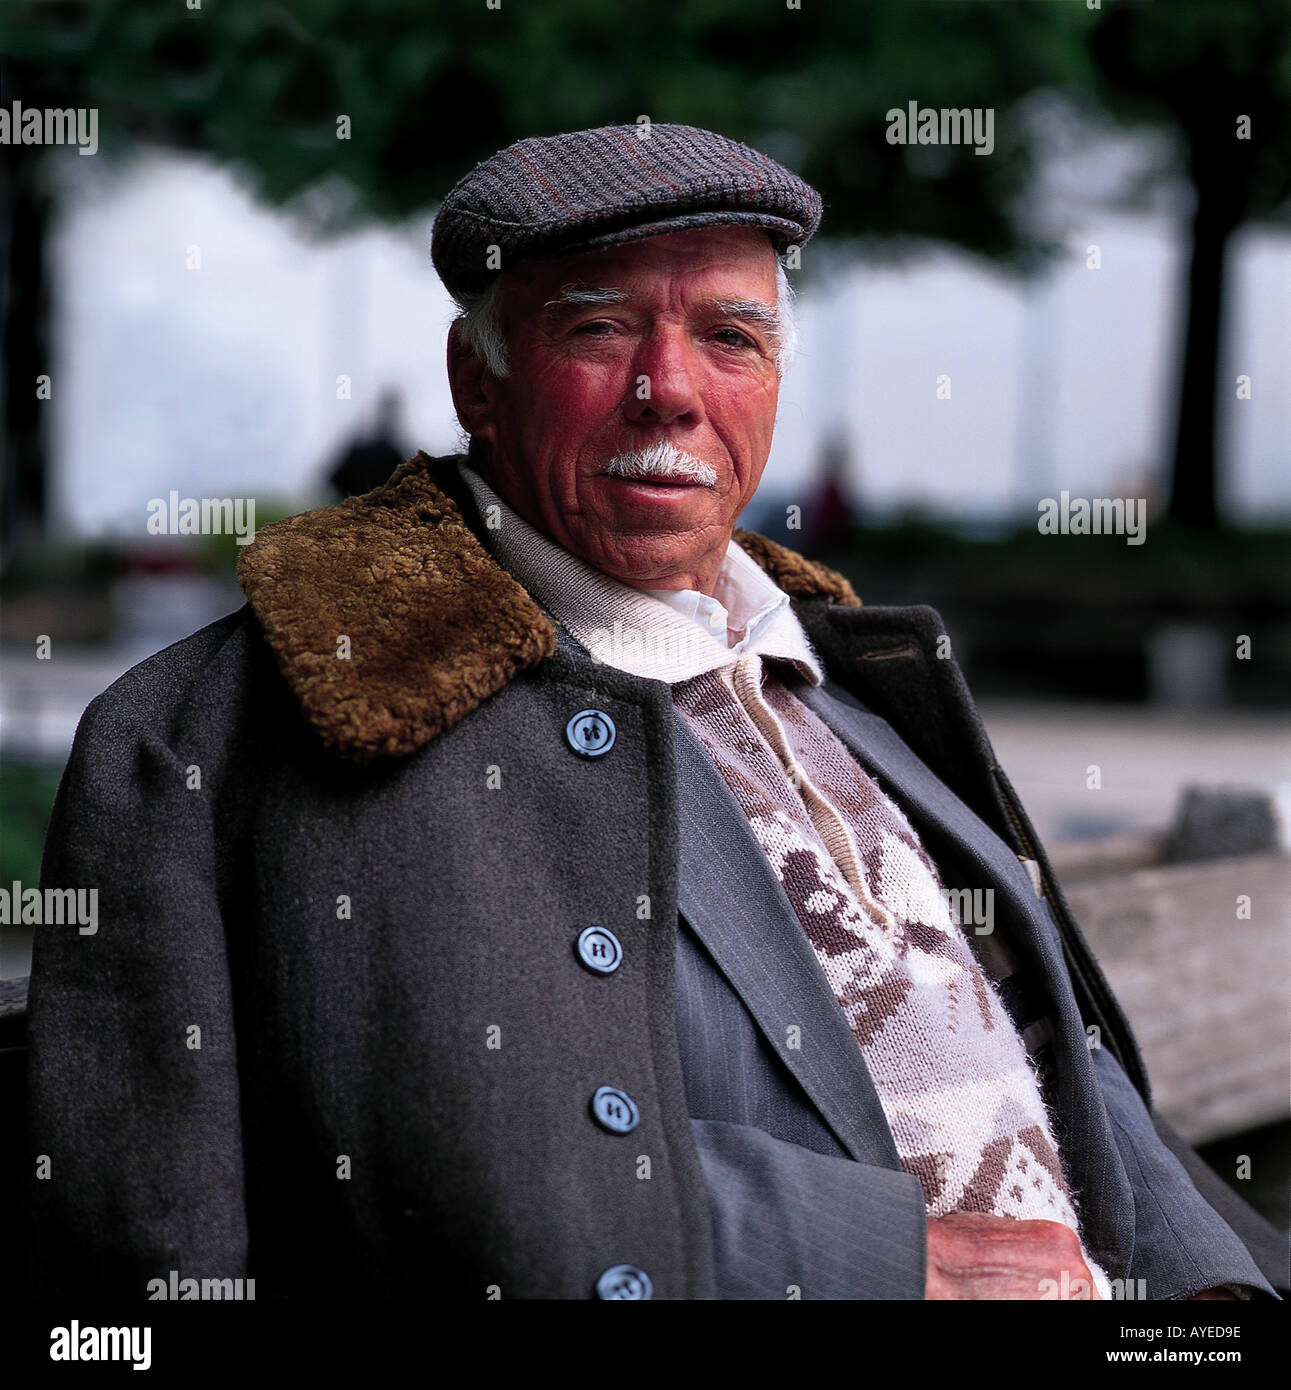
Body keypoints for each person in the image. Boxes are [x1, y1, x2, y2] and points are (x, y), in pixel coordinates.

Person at [28, 123, 1285, 1302]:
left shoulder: (844, 672)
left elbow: (1052, 1043)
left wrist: (1204, 1294)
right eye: (597, 328)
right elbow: (392, 1175)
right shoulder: (221, 729)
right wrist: (883, 1262)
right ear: (479, 377)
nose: (670, 391)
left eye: (731, 338)